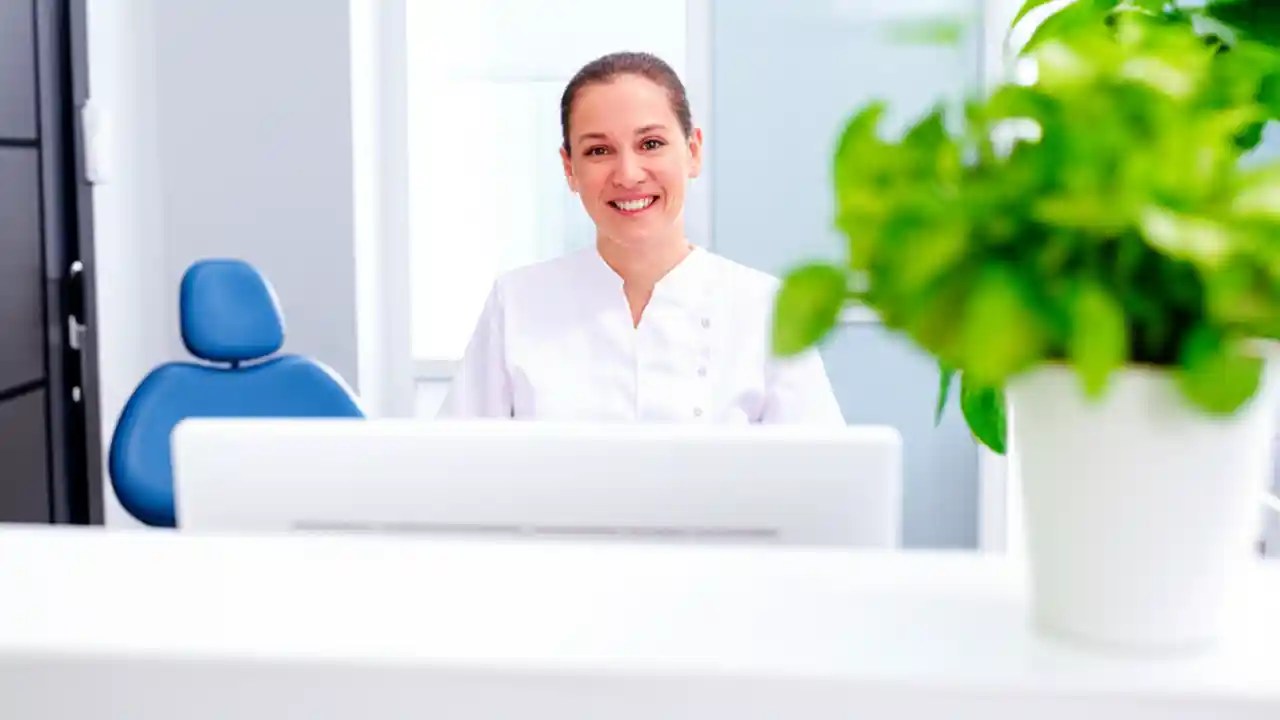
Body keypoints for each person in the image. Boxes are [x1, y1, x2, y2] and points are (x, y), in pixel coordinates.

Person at [439, 51, 843, 424]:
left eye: (651, 144)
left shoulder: (766, 310)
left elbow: (824, 483)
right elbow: (453, 471)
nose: (628, 174)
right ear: (569, 167)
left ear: (693, 151)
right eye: (599, 151)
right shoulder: (517, 302)